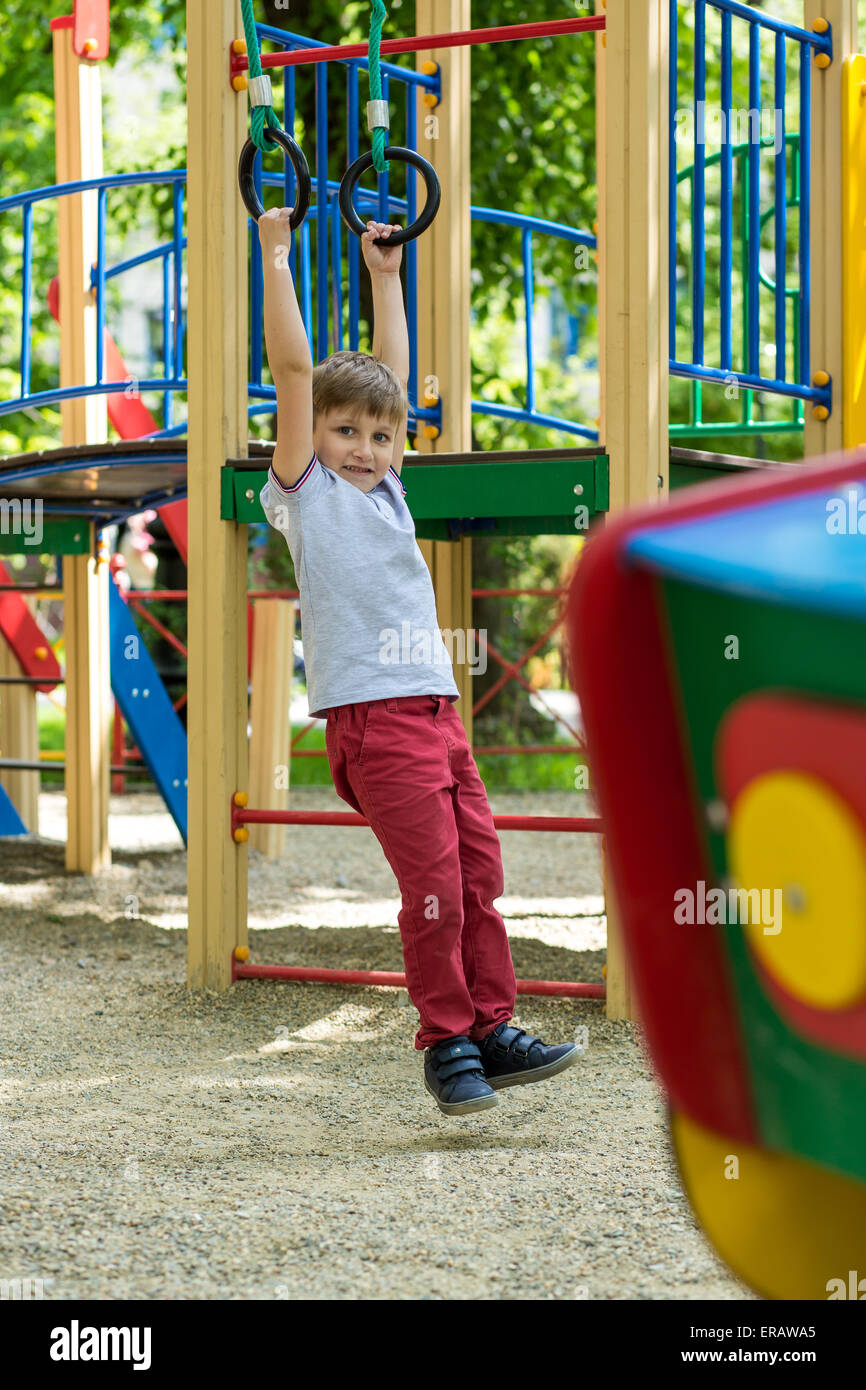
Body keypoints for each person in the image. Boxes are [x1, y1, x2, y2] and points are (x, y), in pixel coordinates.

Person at [257, 206, 580, 1117]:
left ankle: (491, 1026)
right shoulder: (305, 494)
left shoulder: (389, 483)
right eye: (345, 432)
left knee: (480, 874)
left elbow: (392, 379)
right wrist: (276, 253)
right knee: (434, 886)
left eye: (380, 435)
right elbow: (291, 369)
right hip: (375, 719)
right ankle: (445, 1044)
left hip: (439, 712)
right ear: (312, 436)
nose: (365, 449)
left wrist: (387, 275)